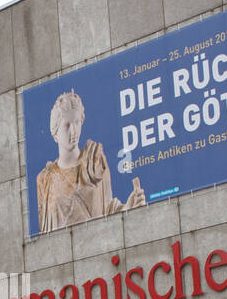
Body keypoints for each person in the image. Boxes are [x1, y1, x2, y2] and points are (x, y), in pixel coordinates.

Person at [35, 89, 146, 234]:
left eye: (77, 122)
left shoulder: (94, 160)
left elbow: (107, 208)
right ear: (55, 132)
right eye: (67, 125)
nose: (74, 132)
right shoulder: (44, 179)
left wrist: (126, 208)